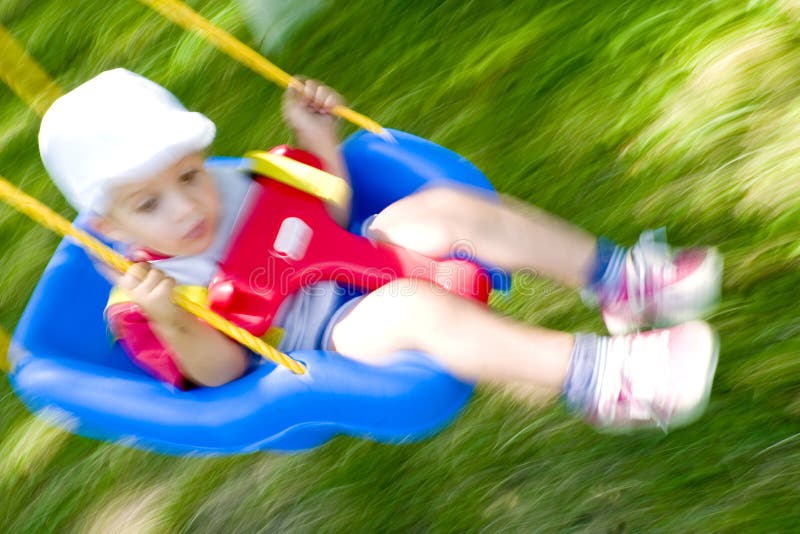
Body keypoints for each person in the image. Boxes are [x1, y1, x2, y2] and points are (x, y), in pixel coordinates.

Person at [38, 68, 721, 432]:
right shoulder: (142, 300)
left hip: (355, 256)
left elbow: (323, 210)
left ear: (198, 156)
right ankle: (605, 380)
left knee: (444, 210)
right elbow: (219, 376)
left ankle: (617, 280)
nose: (187, 206)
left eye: (187, 175)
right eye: (149, 203)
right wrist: (173, 321)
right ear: (112, 223)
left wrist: (319, 139)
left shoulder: (235, 182)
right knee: (407, 312)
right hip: (323, 337)